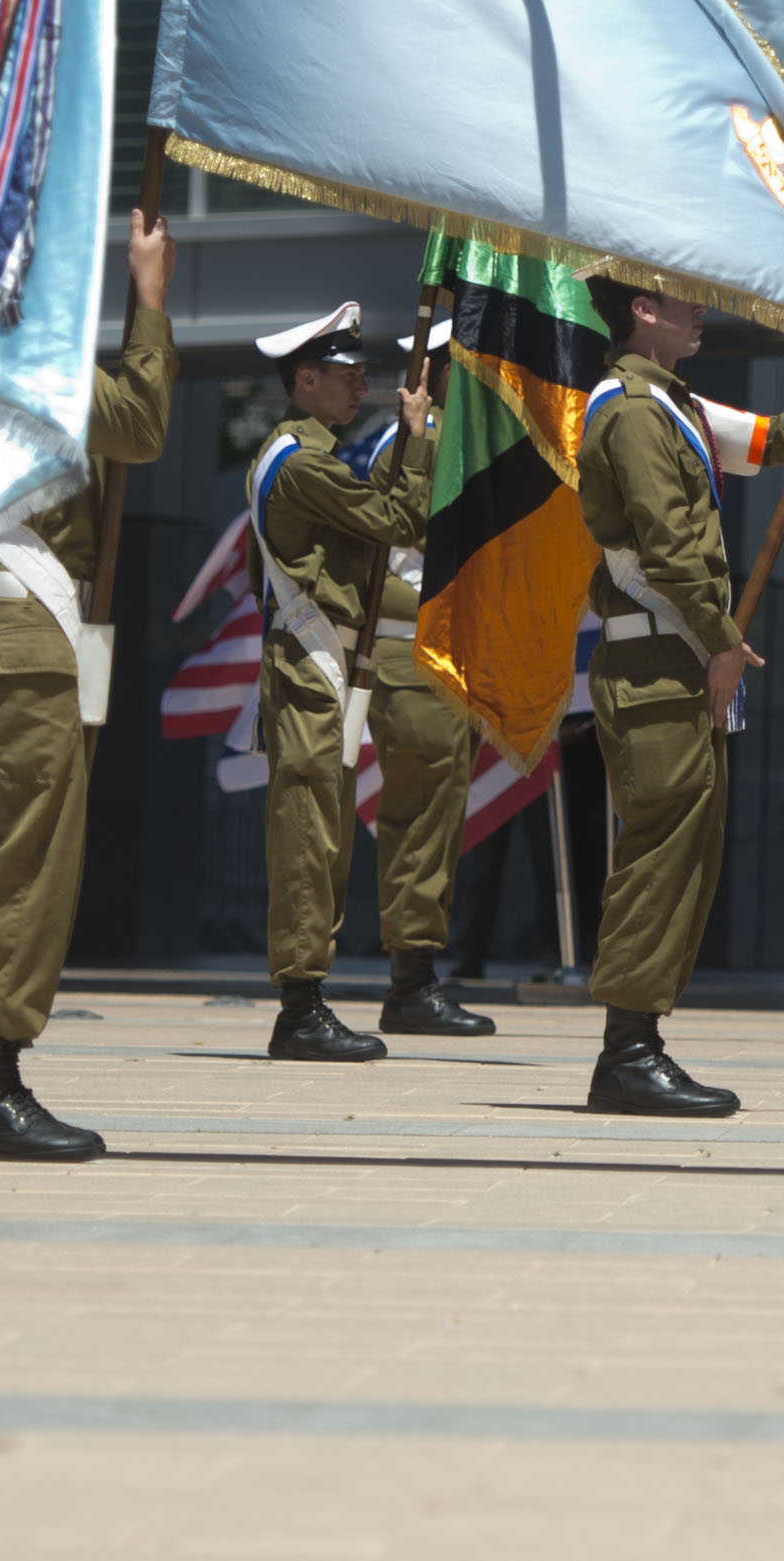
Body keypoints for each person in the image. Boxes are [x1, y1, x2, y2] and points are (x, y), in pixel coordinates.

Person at [0, 207, 177, 1157]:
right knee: (23, 862)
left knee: (8, 853)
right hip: (20, 628)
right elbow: (140, 424)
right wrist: (149, 297)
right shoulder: (28, 361)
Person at [571, 275, 784, 1115]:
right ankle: (625, 1051)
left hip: (676, 659)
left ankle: (640, 1038)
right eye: (682, 299)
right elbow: (666, 546)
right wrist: (722, 640)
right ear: (641, 312)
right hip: (660, 660)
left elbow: (758, 439)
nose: (701, 309)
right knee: (659, 851)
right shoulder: (629, 411)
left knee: (688, 854)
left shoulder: (669, 404)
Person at [244, 303, 436, 1062]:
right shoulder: (298, 461)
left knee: (321, 829)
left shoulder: (314, 454)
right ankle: (299, 1003)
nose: (362, 386)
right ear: (305, 378)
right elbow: (399, 518)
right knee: (308, 831)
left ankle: (306, 996)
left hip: (318, 663)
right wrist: (416, 441)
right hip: (309, 662)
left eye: (363, 373)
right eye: (346, 375)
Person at [355, 318, 495, 1038]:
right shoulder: (425, 438)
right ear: (440, 368)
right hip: (416, 653)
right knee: (421, 820)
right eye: (471, 366)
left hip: (437, 654)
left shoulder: (438, 435)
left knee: (434, 820)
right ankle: (410, 983)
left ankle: (414, 976)